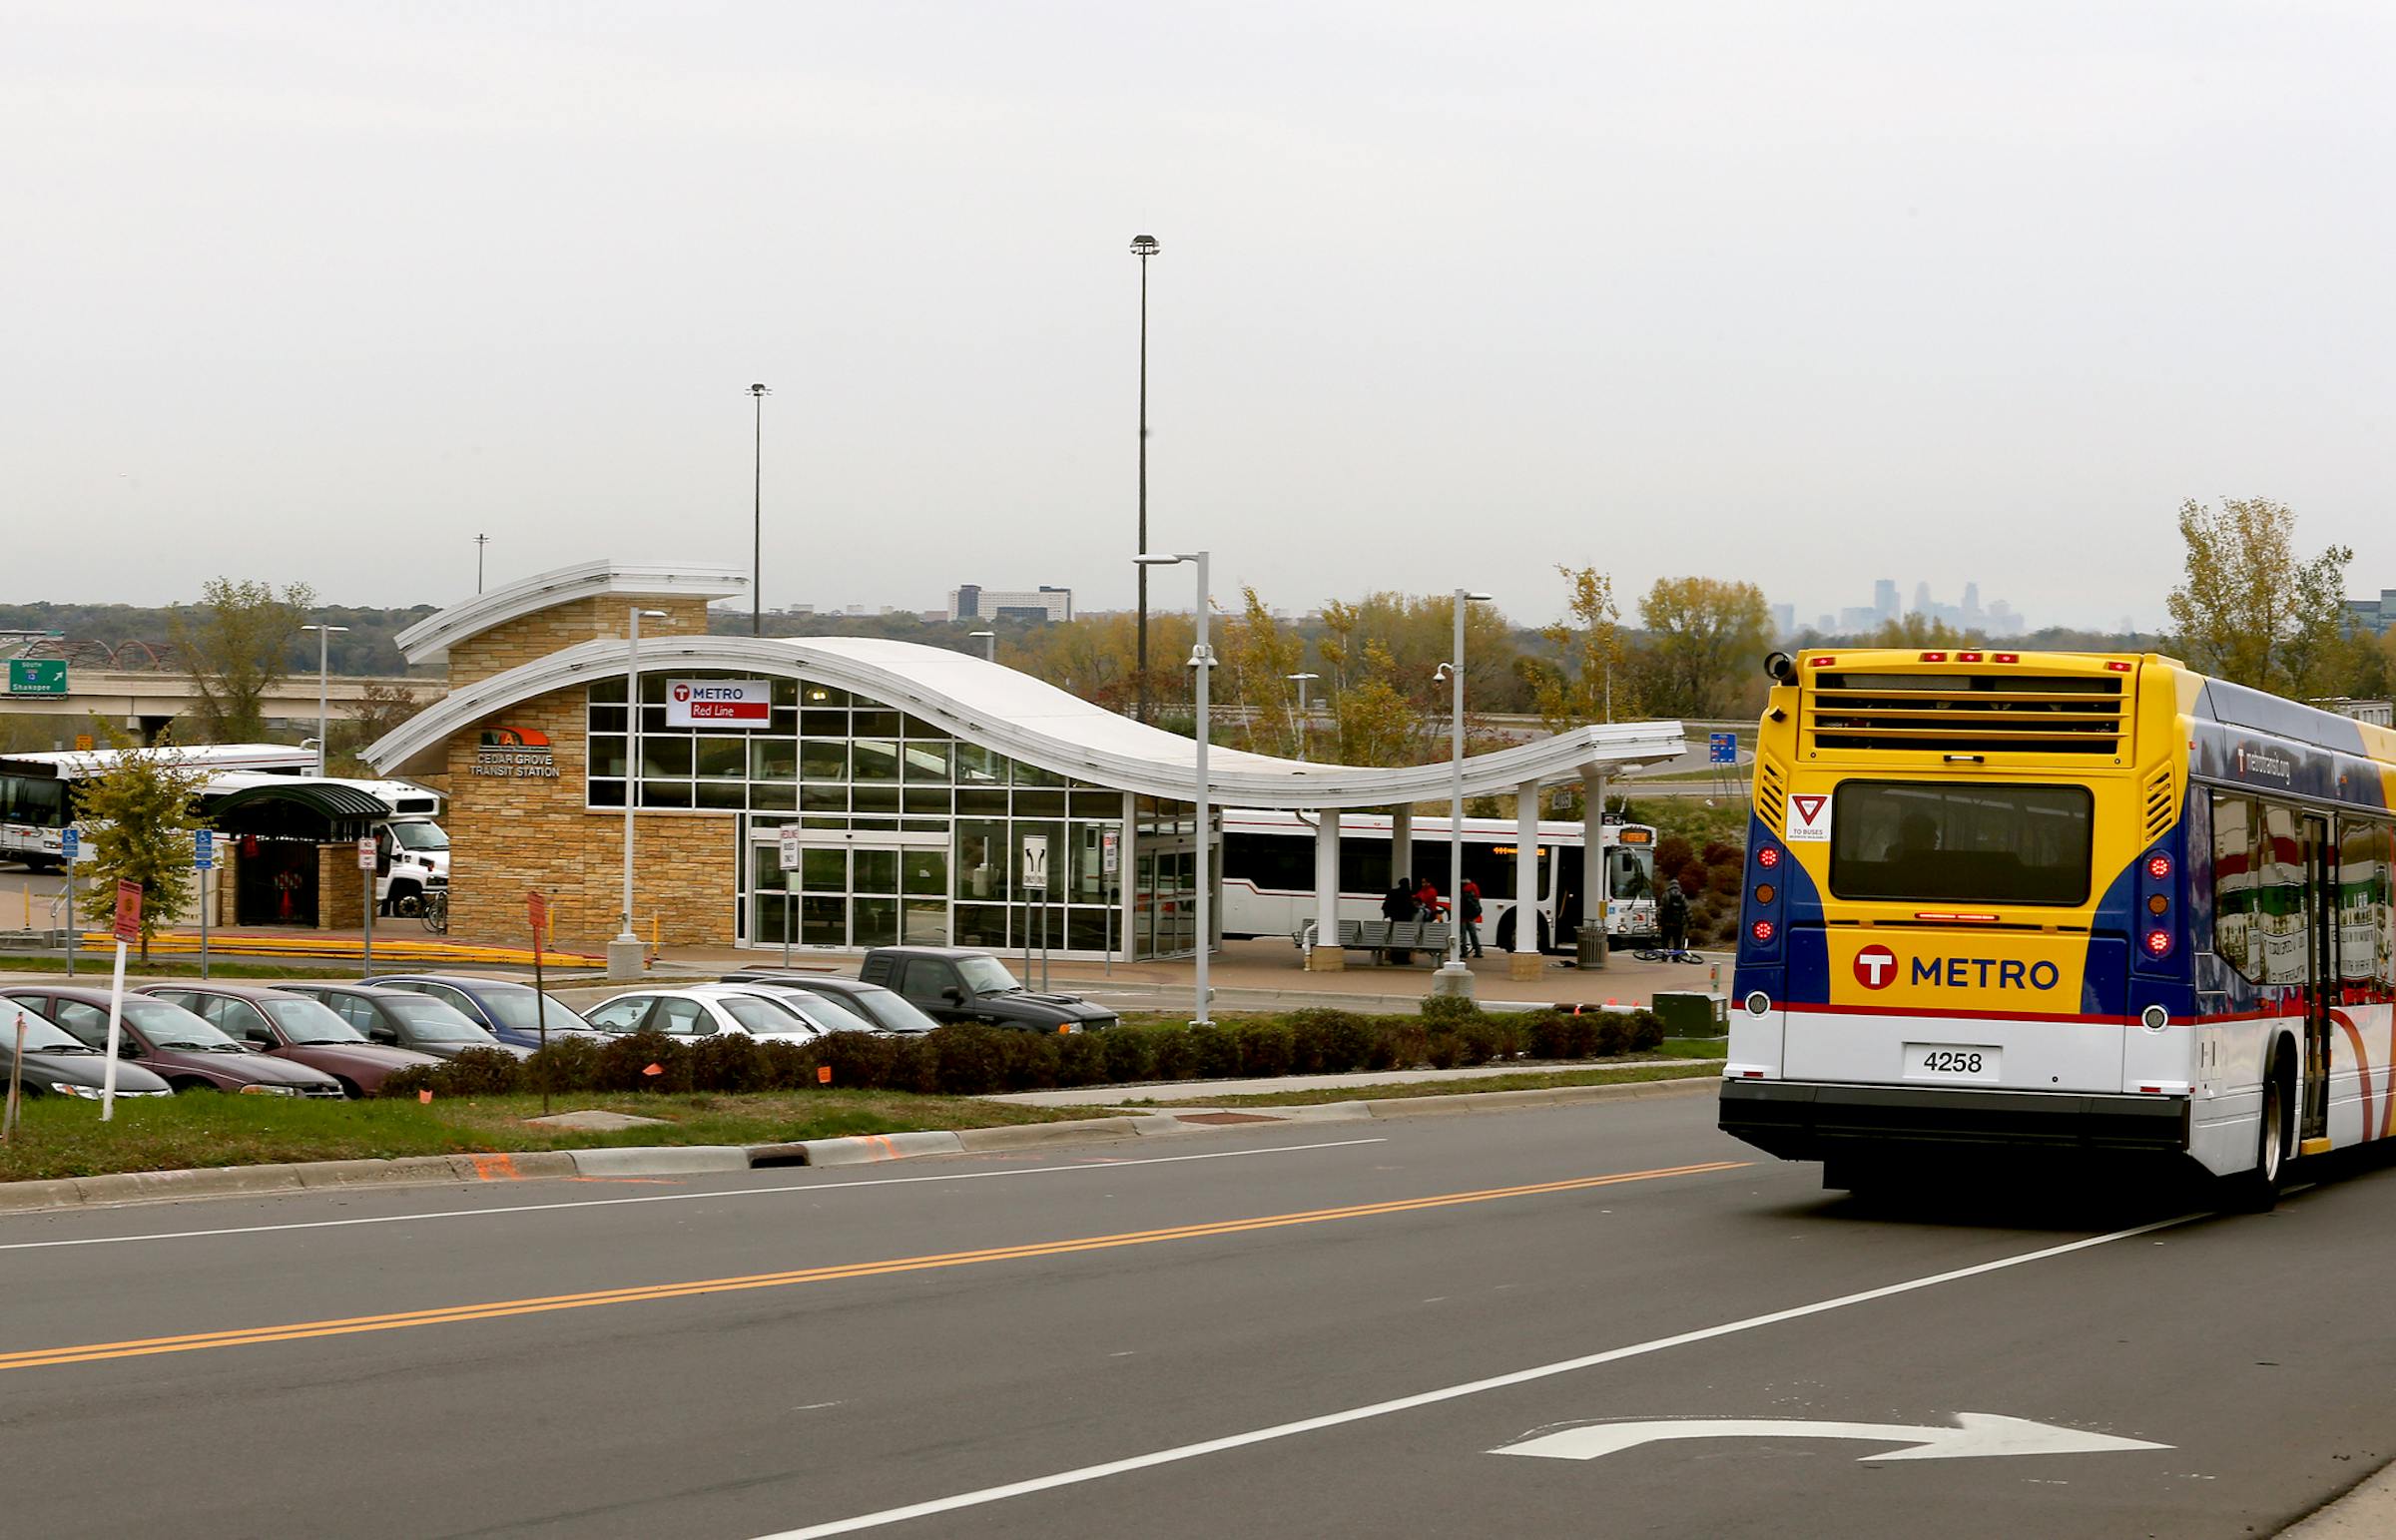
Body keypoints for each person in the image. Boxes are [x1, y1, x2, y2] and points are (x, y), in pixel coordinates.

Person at [1382, 878, 1418, 963]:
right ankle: (1404, 958)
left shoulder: (1392, 892)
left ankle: (1394, 957)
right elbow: (1411, 907)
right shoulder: (1408, 893)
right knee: (1405, 938)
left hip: (1395, 919)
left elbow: (1386, 905)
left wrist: (1389, 914)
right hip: (1406, 920)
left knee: (1395, 937)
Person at [1658, 878, 1690, 956]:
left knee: (1665, 941)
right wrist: (1691, 923)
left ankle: (1664, 956)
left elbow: (1661, 910)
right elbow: (1688, 911)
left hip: (1666, 923)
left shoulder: (1666, 896)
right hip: (1678, 924)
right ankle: (1676, 957)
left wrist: (1659, 922)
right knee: (1677, 942)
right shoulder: (1682, 897)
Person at [1459, 878, 1485, 958]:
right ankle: (1478, 951)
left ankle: (1464, 952)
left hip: (1462, 916)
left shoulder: (1459, 888)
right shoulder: (1473, 887)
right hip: (1471, 916)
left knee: (1463, 935)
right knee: (1473, 934)